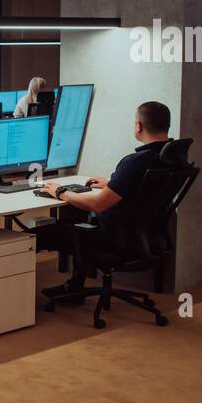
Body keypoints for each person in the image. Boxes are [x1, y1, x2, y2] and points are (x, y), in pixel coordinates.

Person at [35, 101, 173, 296]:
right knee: (77, 221)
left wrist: (59, 191)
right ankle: (75, 286)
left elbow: (97, 205)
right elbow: (144, 190)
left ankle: (64, 291)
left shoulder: (135, 162)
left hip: (113, 240)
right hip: (149, 239)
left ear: (139, 126)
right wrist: (112, 184)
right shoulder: (170, 158)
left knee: (47, 232)